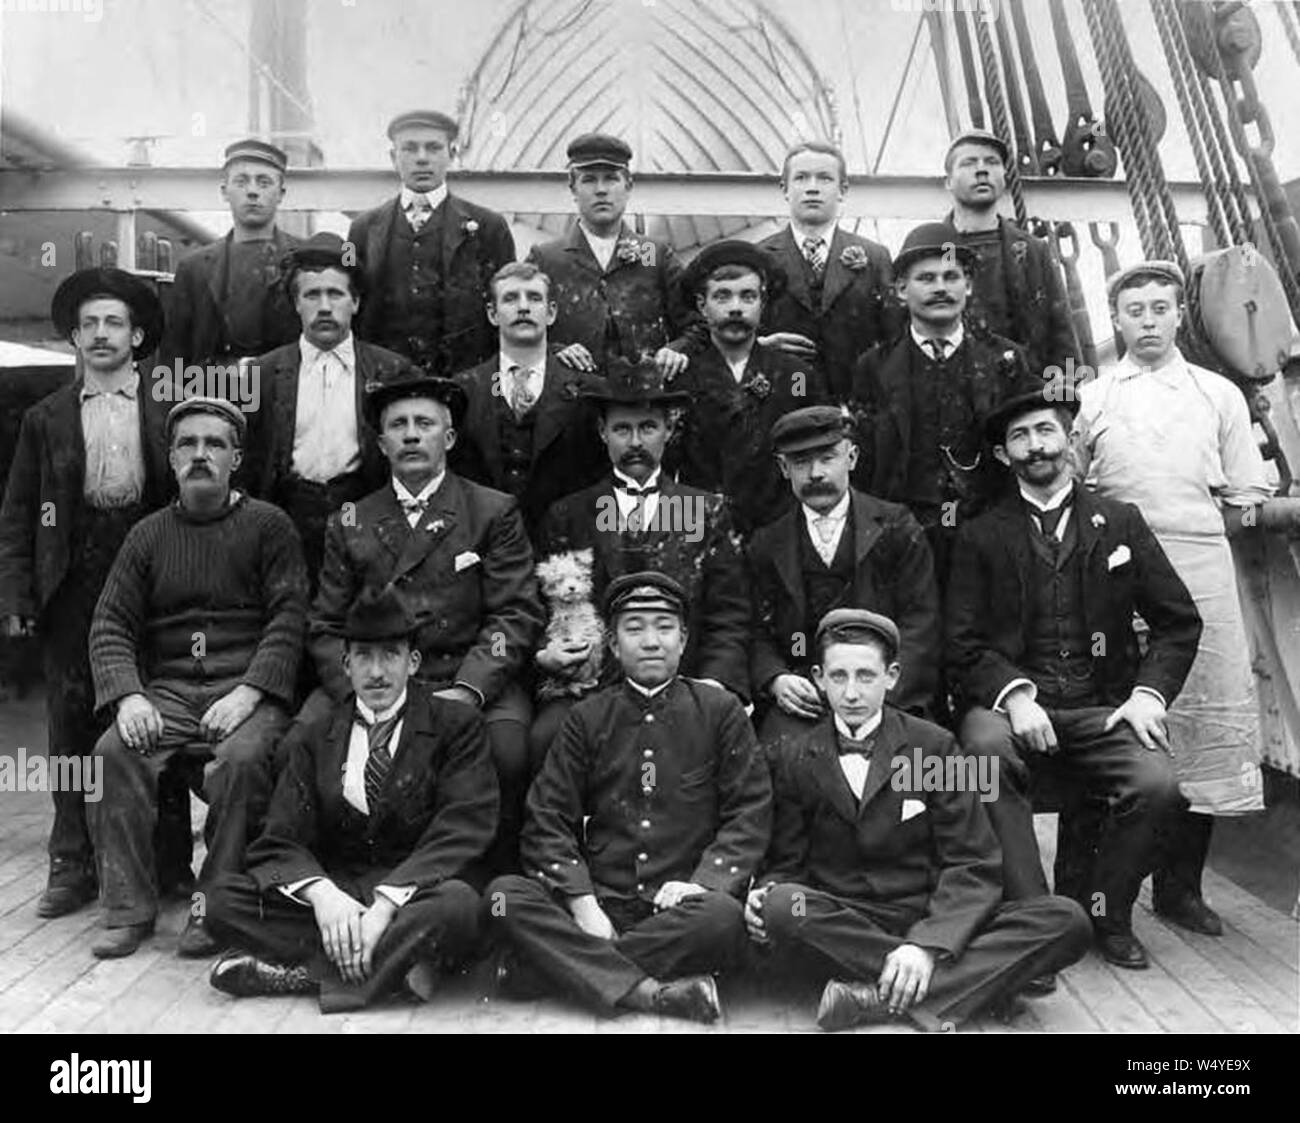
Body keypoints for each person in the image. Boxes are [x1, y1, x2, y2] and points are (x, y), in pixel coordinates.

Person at [948, 385, 1199, 968]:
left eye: (1045, 431)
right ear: (1003, 456)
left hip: (1103, 706)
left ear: (1070, 439)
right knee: (981, 752)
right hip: (1016, 705)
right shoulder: (982, 534)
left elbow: (1178, 622)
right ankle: (1033, 916)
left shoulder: (1121, 523)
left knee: (1157, 784)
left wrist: (1147, 696)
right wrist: (1015, 695)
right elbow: (960, 644)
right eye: (1019, 438)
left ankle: (1104, 913)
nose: (1035, 447)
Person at [747, 609, 1091, 1032]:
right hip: (846, 921)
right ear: (818, 677)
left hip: (925, 911)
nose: (851, 693)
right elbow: (786, 862)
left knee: (1066, 920)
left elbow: (972, 862)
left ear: (891, 676)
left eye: (866, 676)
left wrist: (927, 944)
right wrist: (764, 891)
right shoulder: (797, 754)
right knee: (783, 906)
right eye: (838, 677)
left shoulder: (935, 747)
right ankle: (941, 988)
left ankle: (877, 996)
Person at [1072, 260, 1274, 936]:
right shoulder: (1095, 396)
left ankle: (1180, 889)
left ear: (1179, 314)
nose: (1150, 321)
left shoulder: (1218, 394)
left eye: (1161, 307)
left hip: (1199, 566)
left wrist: (1200, 529)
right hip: (1117, 568)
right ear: (1117, 320)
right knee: (1124, 716)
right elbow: (1077, 490)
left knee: (1202, 721)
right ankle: (1107, 895)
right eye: (1137, 310)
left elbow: (1246, 490)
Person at [487, 572, 772, 1024]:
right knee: (504, 896)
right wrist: (584, 908)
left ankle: (550, 967)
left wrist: (703, 884)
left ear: (683, 639)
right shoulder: (586, 717)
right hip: (602, 900)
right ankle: (653, 994)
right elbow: (547, 820)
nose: (651, 641)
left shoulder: (721, 712)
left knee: (721, 916)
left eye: (663, 626)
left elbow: (749, 814)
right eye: (634, 628)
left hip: (680, 910)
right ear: (614, 646)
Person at [86, 396, 308, 959]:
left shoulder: (269, 526)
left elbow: (289, 620)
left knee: (240, 764)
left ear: (237, 458)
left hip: (247, 687)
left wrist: (250, 693)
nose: (201, 455)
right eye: (188, 444)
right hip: (170, 693)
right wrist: (129, 697)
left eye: (215, 444)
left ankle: (213, 910)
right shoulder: (147, 535)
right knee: (113, 752)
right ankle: (128, 909)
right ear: (171, 459)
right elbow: (110, 621)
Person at [204, 585, 497, 1013]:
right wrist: (324, 897)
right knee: (218, 901)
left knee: (460, 907)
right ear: (346, 664)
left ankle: (303, 975)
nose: (377, 672)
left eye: (390, 655)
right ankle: (393, 969)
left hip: (415, 895)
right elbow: (280, 838)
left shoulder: (455, 723)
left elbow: (464, 826)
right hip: (341, 895)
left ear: (413, 662)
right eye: (363, 656)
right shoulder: (316, 734)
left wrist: (384, 905)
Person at [309, 373, 544, 873]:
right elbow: (326, 624)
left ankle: (493, 887)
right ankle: (343, 884)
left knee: (506, 751)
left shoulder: (491, 510)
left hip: (468, 676)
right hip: (376, 678)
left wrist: (469, 691)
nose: (411, 435)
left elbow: (513, 615)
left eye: (424, 423)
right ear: (381, 443)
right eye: (398, 425)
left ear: (450, 438)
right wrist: (362, 691)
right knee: (301, 742)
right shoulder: (351, 518)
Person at [0, 268, 170, 918]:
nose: (102, 335)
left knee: (146, 723)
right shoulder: (45, 418)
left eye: (115, 324)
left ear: (136, 335)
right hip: (71, 588)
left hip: (149, 586)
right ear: (74, 336)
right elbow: (18, 513)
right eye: (91, 324)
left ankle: (163, 859)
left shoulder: (165, 407)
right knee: (70, 732)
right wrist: (18, 597)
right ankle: (70, 863)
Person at [532, 356, 752, 765]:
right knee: (547, 736)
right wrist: (554, 655)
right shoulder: (570, 514)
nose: (635, 441)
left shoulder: (704, 511)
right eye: (622, 429)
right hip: (595, 687)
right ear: (602, 433)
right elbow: (548, 609)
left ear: (669, 430)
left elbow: (729, 613)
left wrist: (714, 682)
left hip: (684, 679)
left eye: (648, 427)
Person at [747, 405, 940, 758]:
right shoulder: (766, 544)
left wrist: (880, 690)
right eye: (801, 462)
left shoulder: (897, 527)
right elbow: (757, 631)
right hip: (807, 697)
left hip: (886, 691)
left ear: (851, 458)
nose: (816, 473)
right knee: (776, 759)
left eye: (827, 458)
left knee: (914, 761)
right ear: (782, 468)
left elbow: (920, 623)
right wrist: (775, 678)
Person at [851, 221, 1035, 580]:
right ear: (901, 290)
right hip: (906, 538)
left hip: (991, 533)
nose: (940, 288)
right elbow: (865, 464)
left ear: (968, 286)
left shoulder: (1005, 360)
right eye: (926, 278)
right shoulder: (873, 367)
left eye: (951, 277)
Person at [246, 232, 413, 590]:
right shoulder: (262, 374)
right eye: (312, 295)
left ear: (355, 302)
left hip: (365, 515)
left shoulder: (391, 371)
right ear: (296, 304)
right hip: (287, 516)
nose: (324, 306)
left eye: (335, 294)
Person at [671, 240, 829, 535]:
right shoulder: (682, 377)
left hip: (780, 530)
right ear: (702, 306)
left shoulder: (795, 375)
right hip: (702, 530)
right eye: (722, 297)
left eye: (747, 297)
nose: (735, 308)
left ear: (762, 304)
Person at [350, 110, 516, 376]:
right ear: (393, 157)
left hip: (465, 376)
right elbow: (353, 305)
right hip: (385, 377)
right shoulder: (364, 229)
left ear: (452, 154)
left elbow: (508, 303)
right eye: (410, 148)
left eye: (433, 148)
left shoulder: (489, 227)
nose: (422, 158)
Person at [451, 261, 606, 542]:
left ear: (551, 313)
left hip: (569, 548)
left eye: (534, 298)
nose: (523, 307)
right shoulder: (463, 390)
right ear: (492, 314)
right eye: (510, 298)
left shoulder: (590, 391)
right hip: (486, 547)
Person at [524, 133, 702, 376]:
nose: (601, 191)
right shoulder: (547, 259)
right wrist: (554, 351)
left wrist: (675, 349)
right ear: (573, 189)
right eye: (588, 180)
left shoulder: (652, 254)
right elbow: (519, 327)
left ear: (628, 187)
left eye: (611, 179)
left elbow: (696, 324)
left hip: (641, 399)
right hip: (571, 399)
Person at [756, 140, 897, 399]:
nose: (812, 188)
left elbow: (895, 336)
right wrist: (760, 348)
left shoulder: (875, 257)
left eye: (824, 178)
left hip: (856, 401)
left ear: (842, 190)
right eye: (801, 178)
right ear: (785, 189)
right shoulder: (757, 258)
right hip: (783, 400)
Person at [942, 129, 1079, 378]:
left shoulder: (1034, 251)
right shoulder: (931, 252)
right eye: (969, 162)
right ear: (948, 181)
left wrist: (1062, 402)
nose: (982, 170)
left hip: (1025, 396)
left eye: (992, 162)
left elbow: (1063, 338)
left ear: (1004, 177)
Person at [158, 139, 301, 375]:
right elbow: (172, 362)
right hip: (214, 399)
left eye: (264, 182)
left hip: (285, 400)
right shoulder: (193, 269)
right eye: (241, 181)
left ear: (281, 194)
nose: (253, 191)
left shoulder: (303, 261)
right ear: (225, 191)